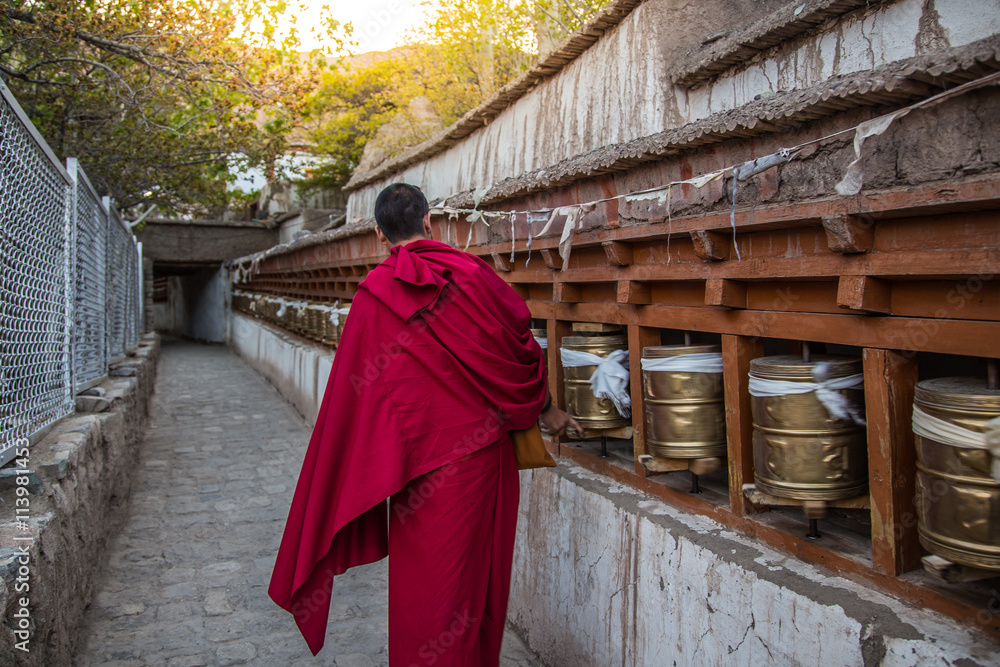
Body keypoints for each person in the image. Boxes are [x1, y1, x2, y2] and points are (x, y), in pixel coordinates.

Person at [269, 182, 579, 665]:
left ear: (379, 235)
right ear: (430, 222)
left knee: (428, 589)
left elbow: (353, 400)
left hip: (418, 471)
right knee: (475, 583)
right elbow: (519, 347)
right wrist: (546, 408)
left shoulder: (373, 297)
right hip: (483, 460)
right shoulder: (473, 274)